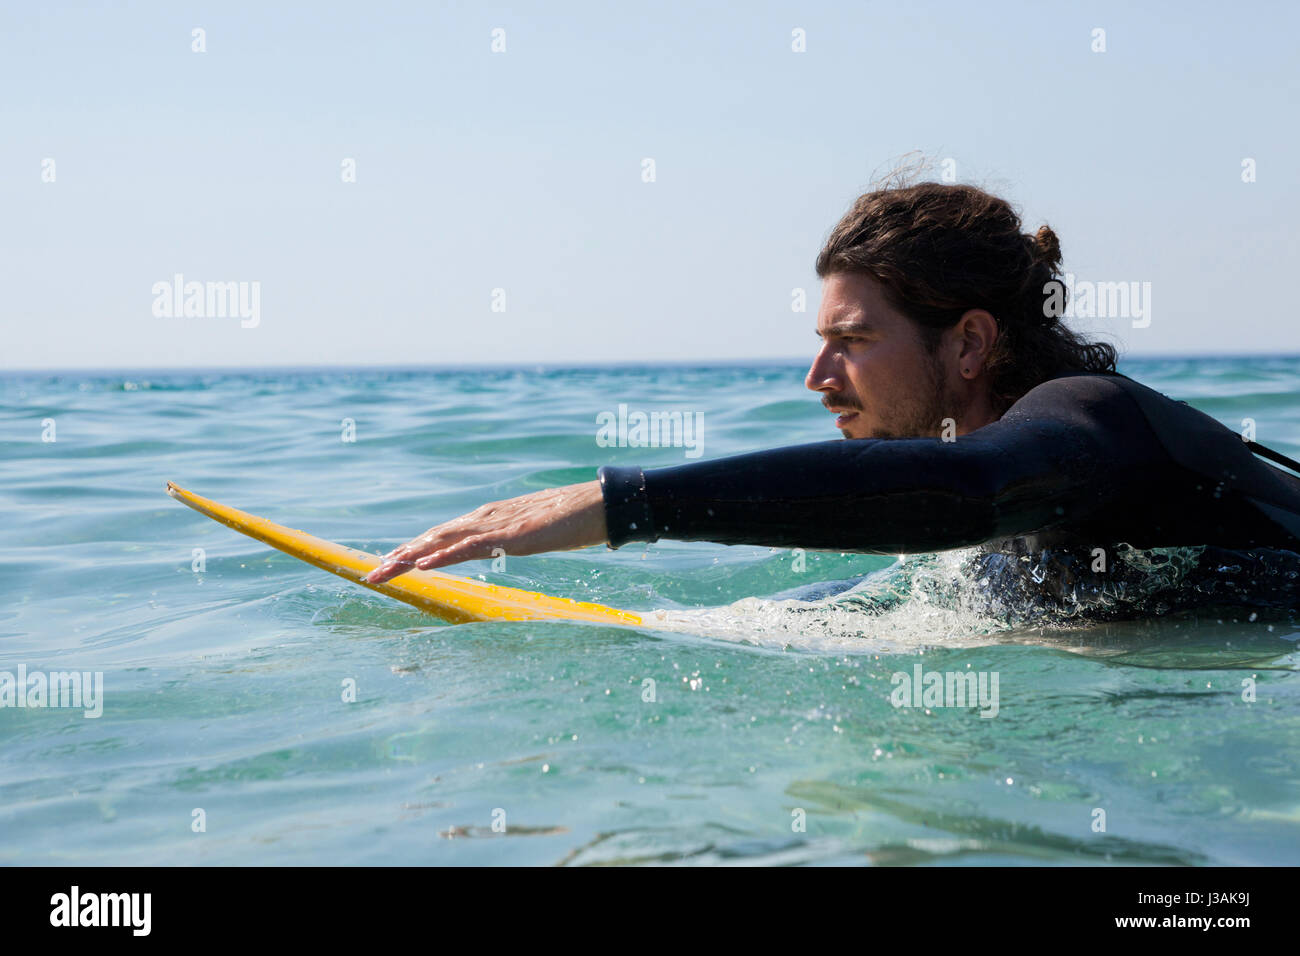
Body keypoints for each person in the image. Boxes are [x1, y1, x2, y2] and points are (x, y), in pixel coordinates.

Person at [365, 182, 1300, 618]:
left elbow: (960, 488)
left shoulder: (1088, 419)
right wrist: (671, 632)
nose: (817, 381)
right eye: (819, 343)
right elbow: (892, 590)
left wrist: (623, 505)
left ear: (970, 342)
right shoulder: (1003, 512)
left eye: (851, 344)